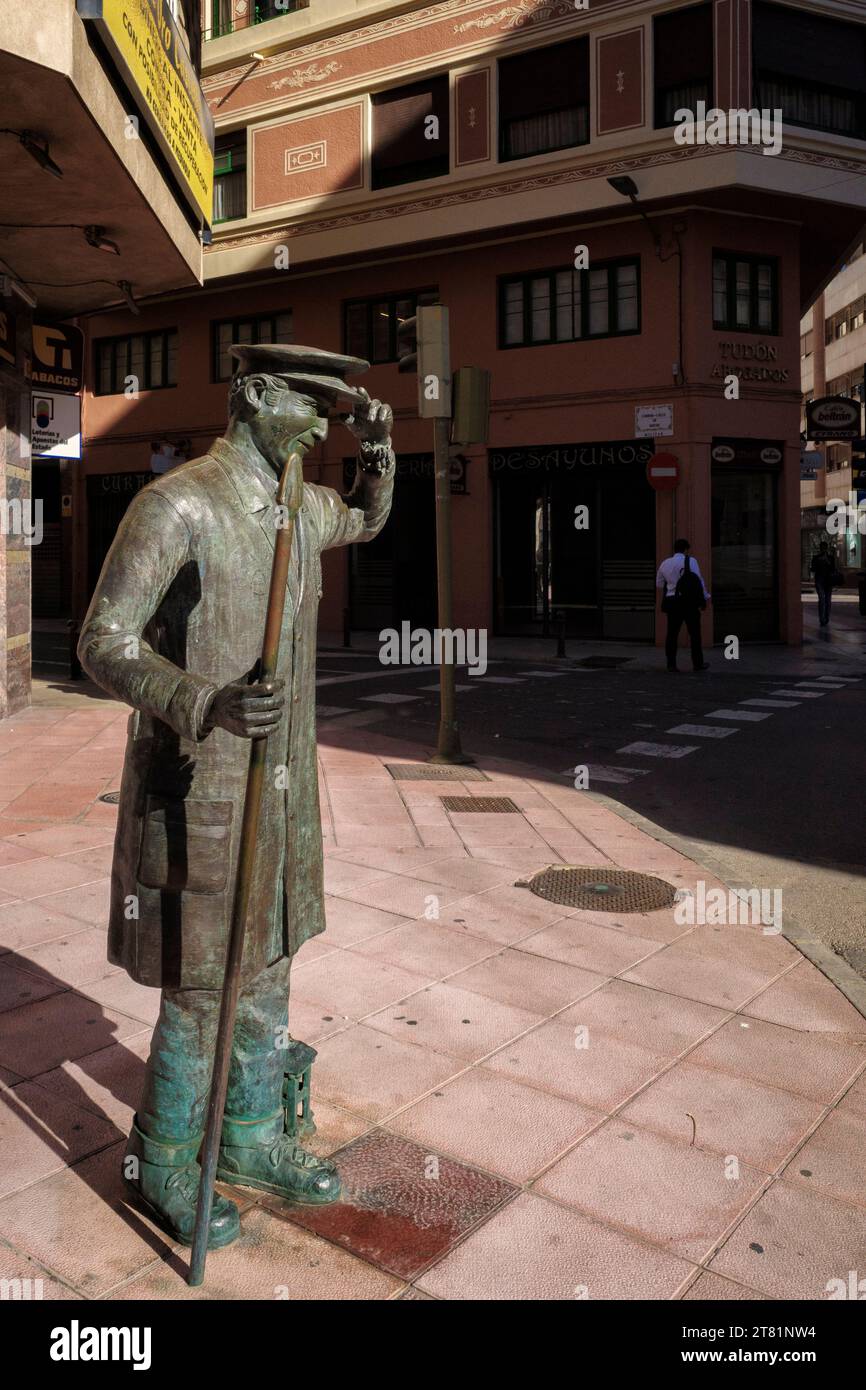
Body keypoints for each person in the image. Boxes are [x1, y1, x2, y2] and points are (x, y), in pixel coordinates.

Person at [78, 344, 395, 1251]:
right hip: (200, 786)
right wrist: (198, 700)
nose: (323, 422)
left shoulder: (298, 503)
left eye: (334, 410)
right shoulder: (175, 504)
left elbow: (367, 523)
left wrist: (380, 459)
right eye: (311, 403)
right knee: (201, 983)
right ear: (254, 395)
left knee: (268, 968)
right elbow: (104, 641)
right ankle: (165, 1159)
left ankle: (252, 1137)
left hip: (282, 787)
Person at [656, 537, 711, 672]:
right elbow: (698, 581)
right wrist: (704, 598)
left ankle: (671, 664)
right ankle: (697, 663)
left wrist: (672, 585)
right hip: (689, 603)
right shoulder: (691, 561)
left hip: (672, 602)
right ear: (686, 549)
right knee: (695, 634)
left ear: (674, 549)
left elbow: (659, 584)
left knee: (672, 634)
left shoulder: (665, 563)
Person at [810, 541, 838, 627]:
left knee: (828, 601)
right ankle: (821, 619)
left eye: (824, 548)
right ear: (820, 549)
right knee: (822, 599)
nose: (823, 550)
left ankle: (826, 617)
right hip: (819, 581)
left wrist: (828, 562)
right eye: (822, 548)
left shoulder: (830, 558)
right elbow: (813, 569)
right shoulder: (816, 557)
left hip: (828, 582)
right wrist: (818, 562)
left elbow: (833, 569)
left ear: (826, 549)